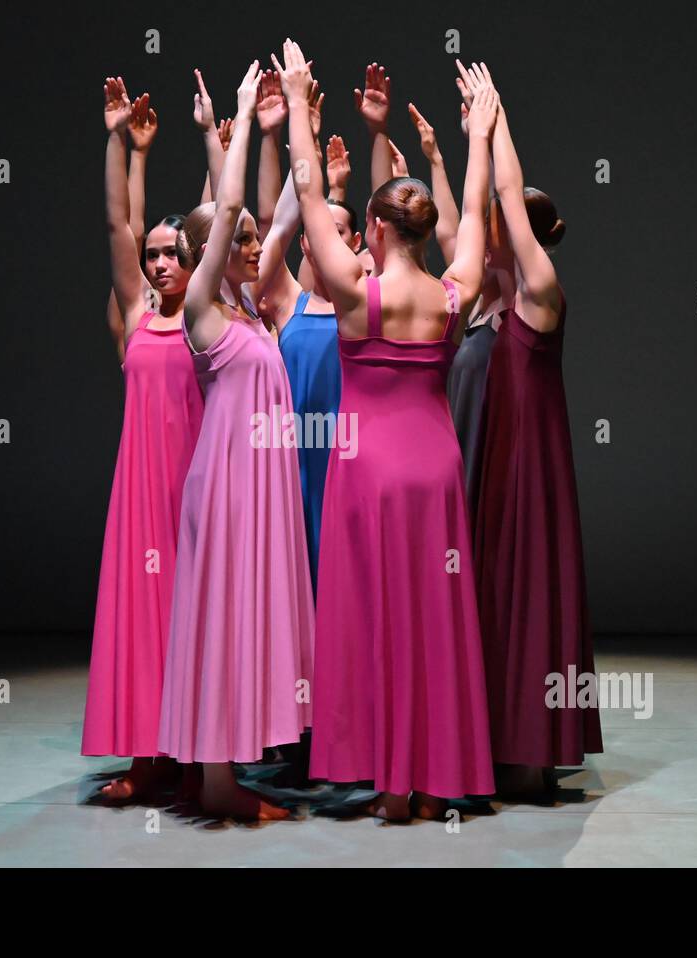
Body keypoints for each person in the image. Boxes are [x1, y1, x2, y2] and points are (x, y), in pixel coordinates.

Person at [279, 39, 497, 821]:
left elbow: (307, 194)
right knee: (431, 620)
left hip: (365, 471)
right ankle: (436, 777)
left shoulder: (349, 288)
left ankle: (388, 785)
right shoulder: (452, 294)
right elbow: (475, 213)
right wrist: (480, 135)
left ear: (372, 227)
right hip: (432, 467)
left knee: (371, 616)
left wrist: (305, 106)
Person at [157, 61, 314, 822]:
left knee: (247, 617)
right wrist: (243, 114)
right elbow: (226, 212)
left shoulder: (250, 306)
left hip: (259, 486)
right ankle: (218, 788)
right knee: (221, 617)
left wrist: (295, 124)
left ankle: (224, 776)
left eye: (251, 240)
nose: (253, 245)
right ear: (211, 255)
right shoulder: (201, 311)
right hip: (225, 488)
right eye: (238, 242)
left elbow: (282, 212)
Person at [461, 60, 603, 799]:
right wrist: (475, 138)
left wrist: (497, 119)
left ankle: (532, 749)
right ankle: (505, 743)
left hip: (534, 474)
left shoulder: (542, 292)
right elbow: (493, 202)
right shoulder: (497, 307)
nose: (493, 235)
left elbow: (508, 198)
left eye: (502, 231)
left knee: (533, 594)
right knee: (497, 594)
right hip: (502, 464)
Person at [82, 80, 205, 803]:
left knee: (190, 618)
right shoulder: (135, 314)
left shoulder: (207, 317)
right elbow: (116, 225)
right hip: (139, 495)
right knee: (140, 623)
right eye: (153, 255)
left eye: (172, 254)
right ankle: (146, 758)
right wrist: (123, 144)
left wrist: (215, 143)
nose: (159, 263)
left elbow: (217, 220)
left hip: (191, 489)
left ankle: (194, 757)